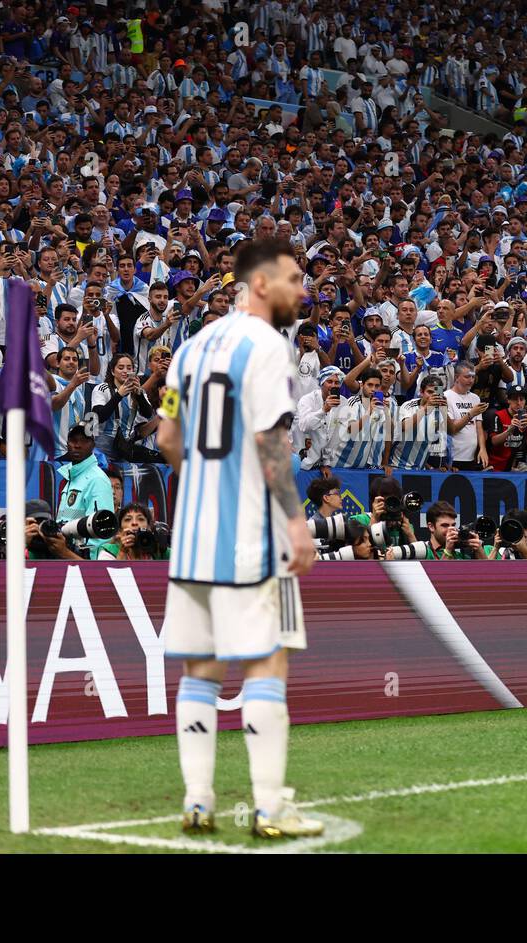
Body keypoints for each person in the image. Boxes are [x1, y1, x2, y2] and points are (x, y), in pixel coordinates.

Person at [156, 237, 321, 840]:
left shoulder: (189, 349)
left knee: (201, 666)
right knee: (265, 659)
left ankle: (198, 801)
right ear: (260, 284)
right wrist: (296, 520)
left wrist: (202, 482)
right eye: (295, 279)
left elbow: (167, 435)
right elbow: (270, 442)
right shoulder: (271, 349)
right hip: (250, 534)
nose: (304, 290)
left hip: (192, 536)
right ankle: (270, 806)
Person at [55, 423, 116, 556]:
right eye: (74, 440)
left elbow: (101, 532)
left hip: (84, 563)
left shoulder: (97, 479)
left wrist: (89, 566)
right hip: (65, 556)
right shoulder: (72, 477)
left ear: (93, 445)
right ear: (67, 444)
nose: (77, 445)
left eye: (84, 441)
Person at [94, 503, 169, 561]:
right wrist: (122, 552)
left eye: (140, 519)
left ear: (149, 527)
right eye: (128, 519)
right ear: (119, 531)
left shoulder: (159, 551)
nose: (134, 523)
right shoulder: (108, 551)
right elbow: (108, 579)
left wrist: (161, 549)